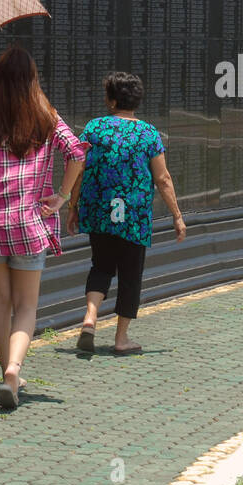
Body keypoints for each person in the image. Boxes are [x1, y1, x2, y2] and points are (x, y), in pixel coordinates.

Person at [0, 46, 85, 408]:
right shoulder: (47, 117)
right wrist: (62, 196)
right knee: (26, 307)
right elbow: (77, 153)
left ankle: (8, 372)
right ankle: (14, 371)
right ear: (32, 80)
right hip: (30, 224)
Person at [71, 71, 185, 354]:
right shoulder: (148, 134)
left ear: (111, 100)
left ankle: (89, 318)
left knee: (101, 266)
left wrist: (72, 207)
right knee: (130, 275)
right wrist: (177, 215)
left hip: (100, 212)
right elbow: (163, 179)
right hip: (133, 218)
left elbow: (79, 169)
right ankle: (121, 340)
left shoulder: (95, 128)